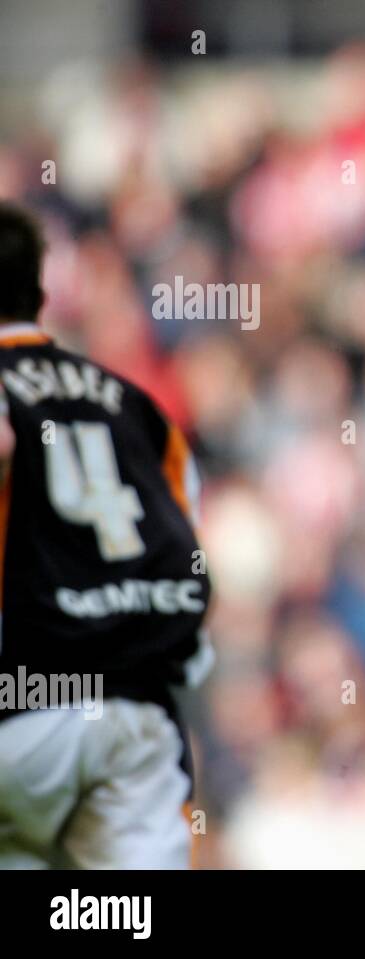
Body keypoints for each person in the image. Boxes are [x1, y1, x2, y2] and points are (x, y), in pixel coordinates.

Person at [0, 202, 212, 869]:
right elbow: (190, 552)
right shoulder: (138, 406)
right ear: (37, 292)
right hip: (134, 713)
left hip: (19, 705)